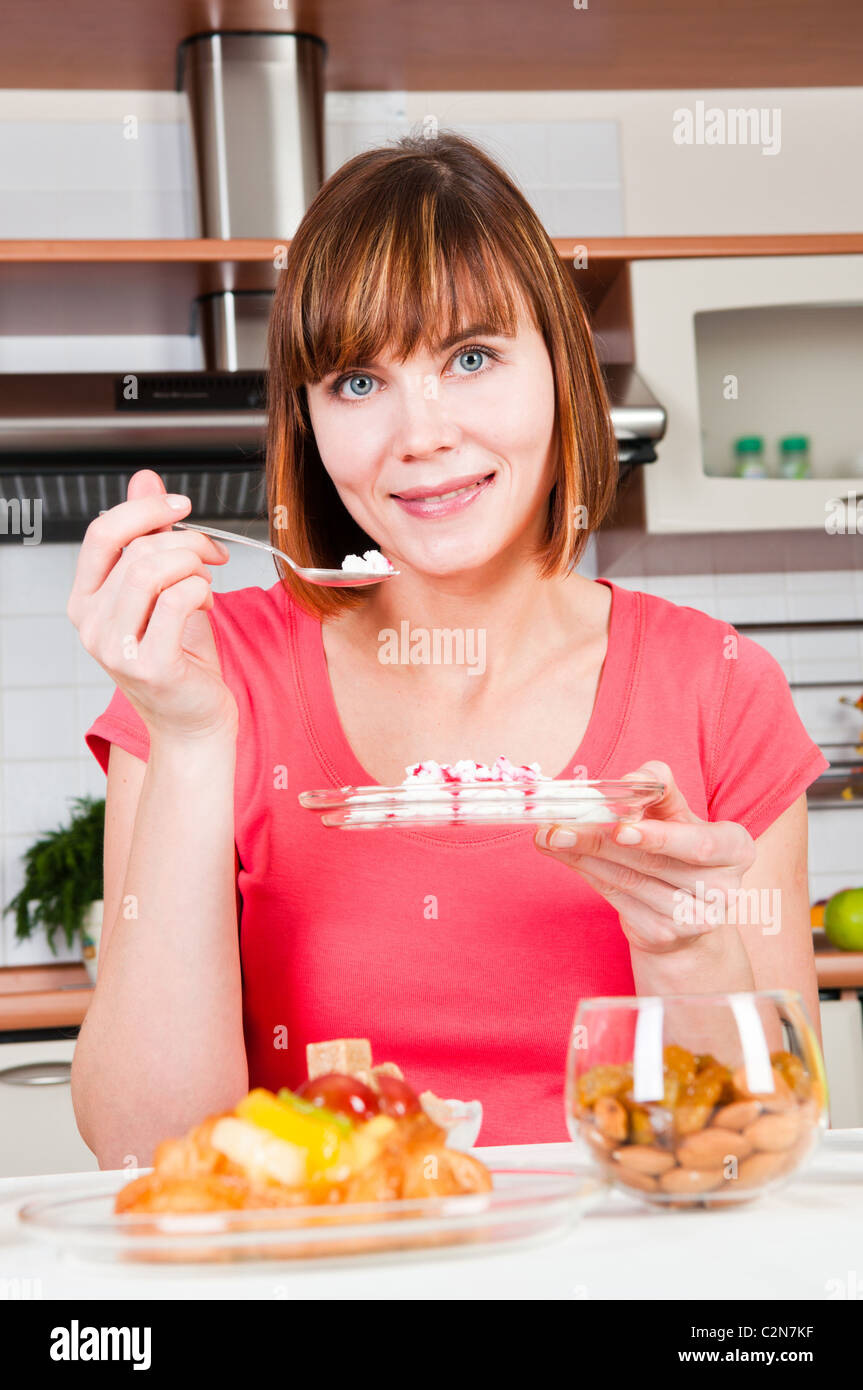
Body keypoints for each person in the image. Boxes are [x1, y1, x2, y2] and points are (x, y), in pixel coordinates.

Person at [67, 132, 828, 1165]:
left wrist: (687, 945)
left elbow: (752, 1153)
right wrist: (195, 742)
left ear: (558, 367)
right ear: (308, 418)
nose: (417, 434)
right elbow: (143, 1153)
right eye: (354, 381)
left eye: (470, 359)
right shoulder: (207, 674)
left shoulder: (718, 689)